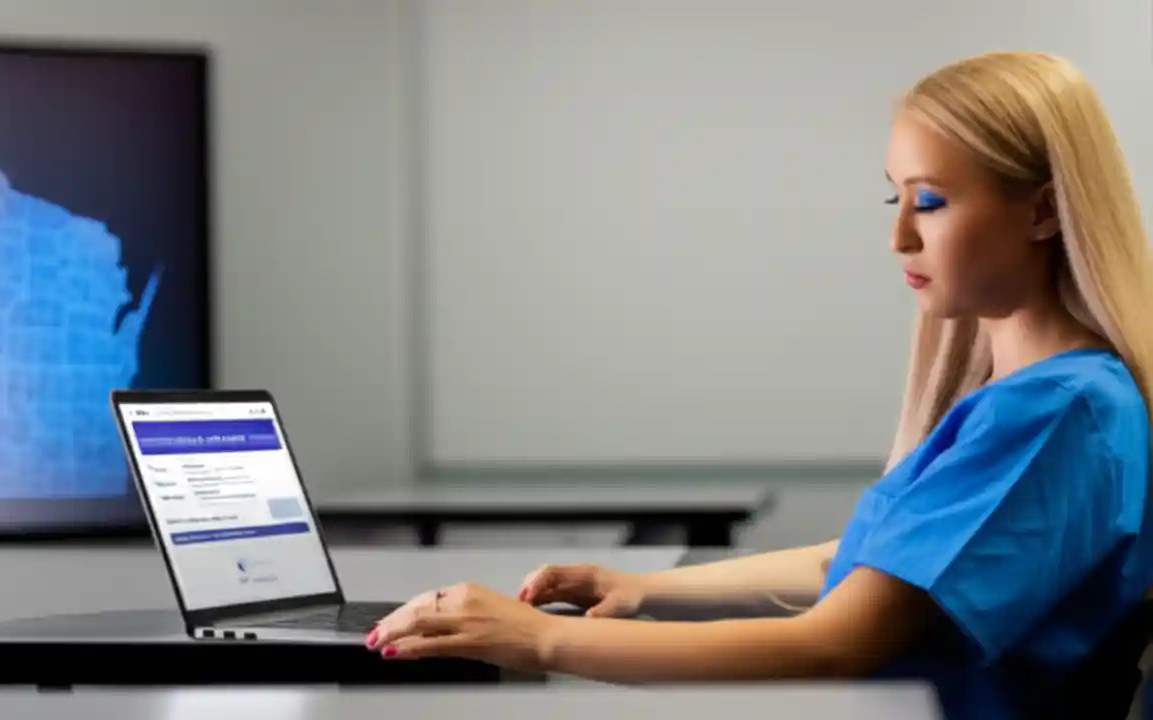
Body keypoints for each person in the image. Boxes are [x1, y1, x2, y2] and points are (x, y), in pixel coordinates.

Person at [366, 50, 1153, 719]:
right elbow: (864, 567)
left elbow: (835, 640)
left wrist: (540, 640)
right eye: (895, 197)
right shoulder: (1047, 396)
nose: (898, 235)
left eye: (932, 202)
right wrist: (642, 590)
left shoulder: (1057, 413)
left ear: (1045, 211)